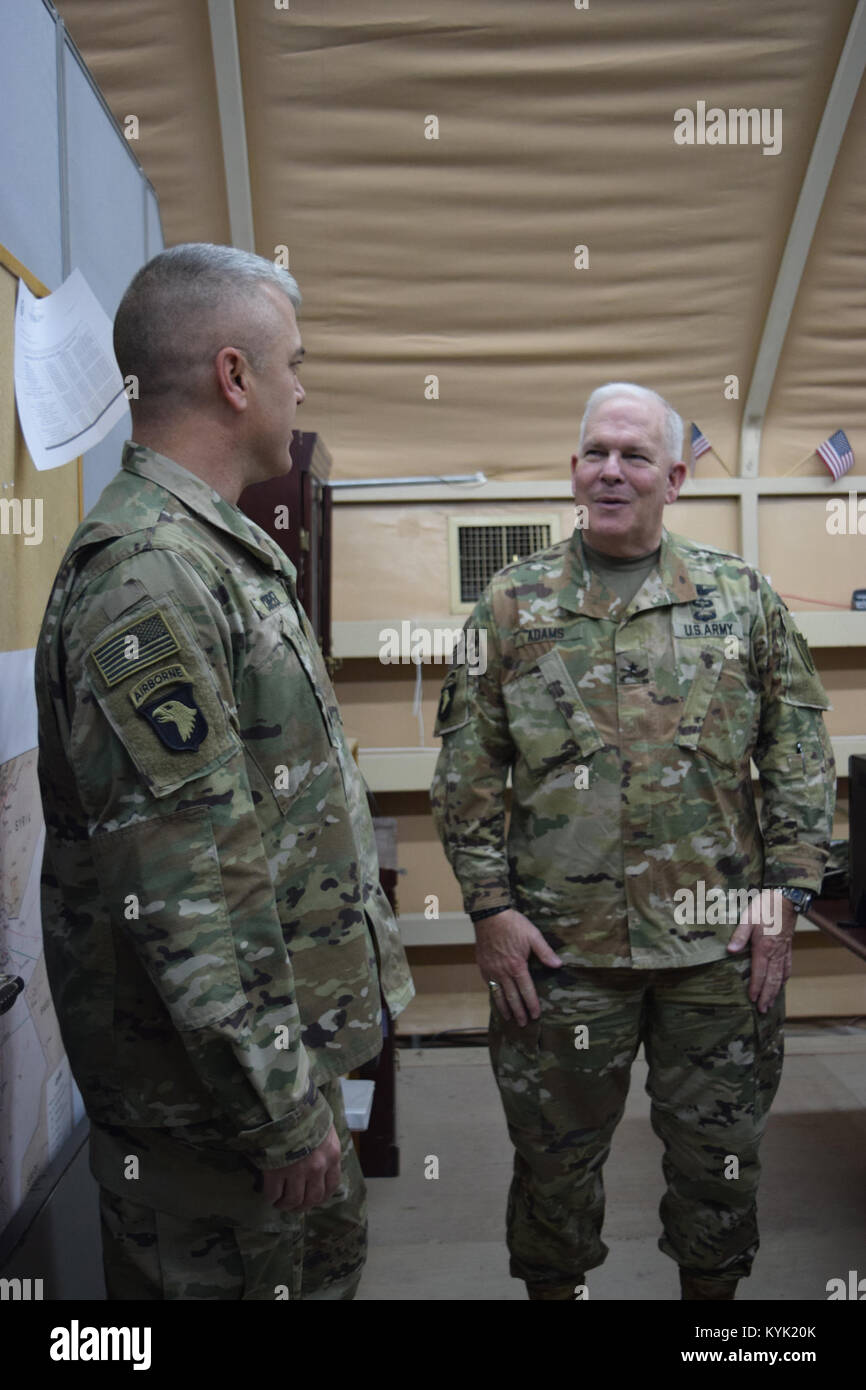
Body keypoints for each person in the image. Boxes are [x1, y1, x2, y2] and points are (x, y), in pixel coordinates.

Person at [34, 243, 413, 1301]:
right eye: (292, 363)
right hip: (216, 1121)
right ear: (234, 375)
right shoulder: (149, 578)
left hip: (263, 1088)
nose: (301, 389)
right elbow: (187, 887)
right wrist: (279, 1107)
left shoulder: (210, 552)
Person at [430, 382, 834, 1301]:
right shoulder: (512, 605)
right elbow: (467, 771)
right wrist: (489, 910)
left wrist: (788, 893)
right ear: (574, 469)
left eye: (634, 455)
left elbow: (801, 747)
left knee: (719, 1161)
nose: (611, 472)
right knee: (553, 1170)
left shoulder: (740, 599)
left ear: (675, 477)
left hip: (717, 951)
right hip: (561, 953)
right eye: (595, 453)